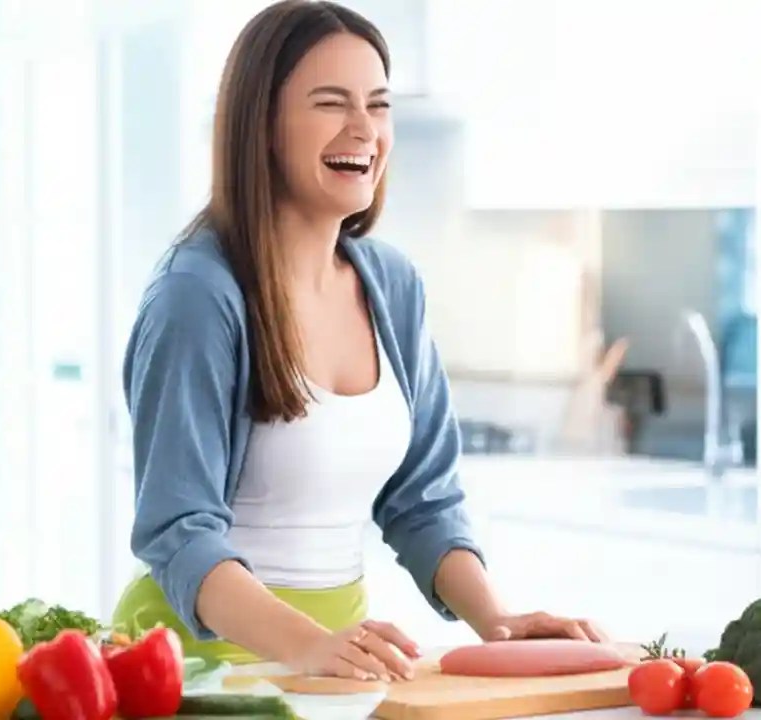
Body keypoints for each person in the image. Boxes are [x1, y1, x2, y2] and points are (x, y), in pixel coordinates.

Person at [110, 0, 606, 682]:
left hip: (337, 669)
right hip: (197, 669)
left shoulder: (392, 285)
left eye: (378, 105)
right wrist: (307, 644)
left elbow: (422, 497)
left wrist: (497, 620)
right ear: (262, 126)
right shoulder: (197, 296)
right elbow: (178, 531)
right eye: (329, 103)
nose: (363, 129)